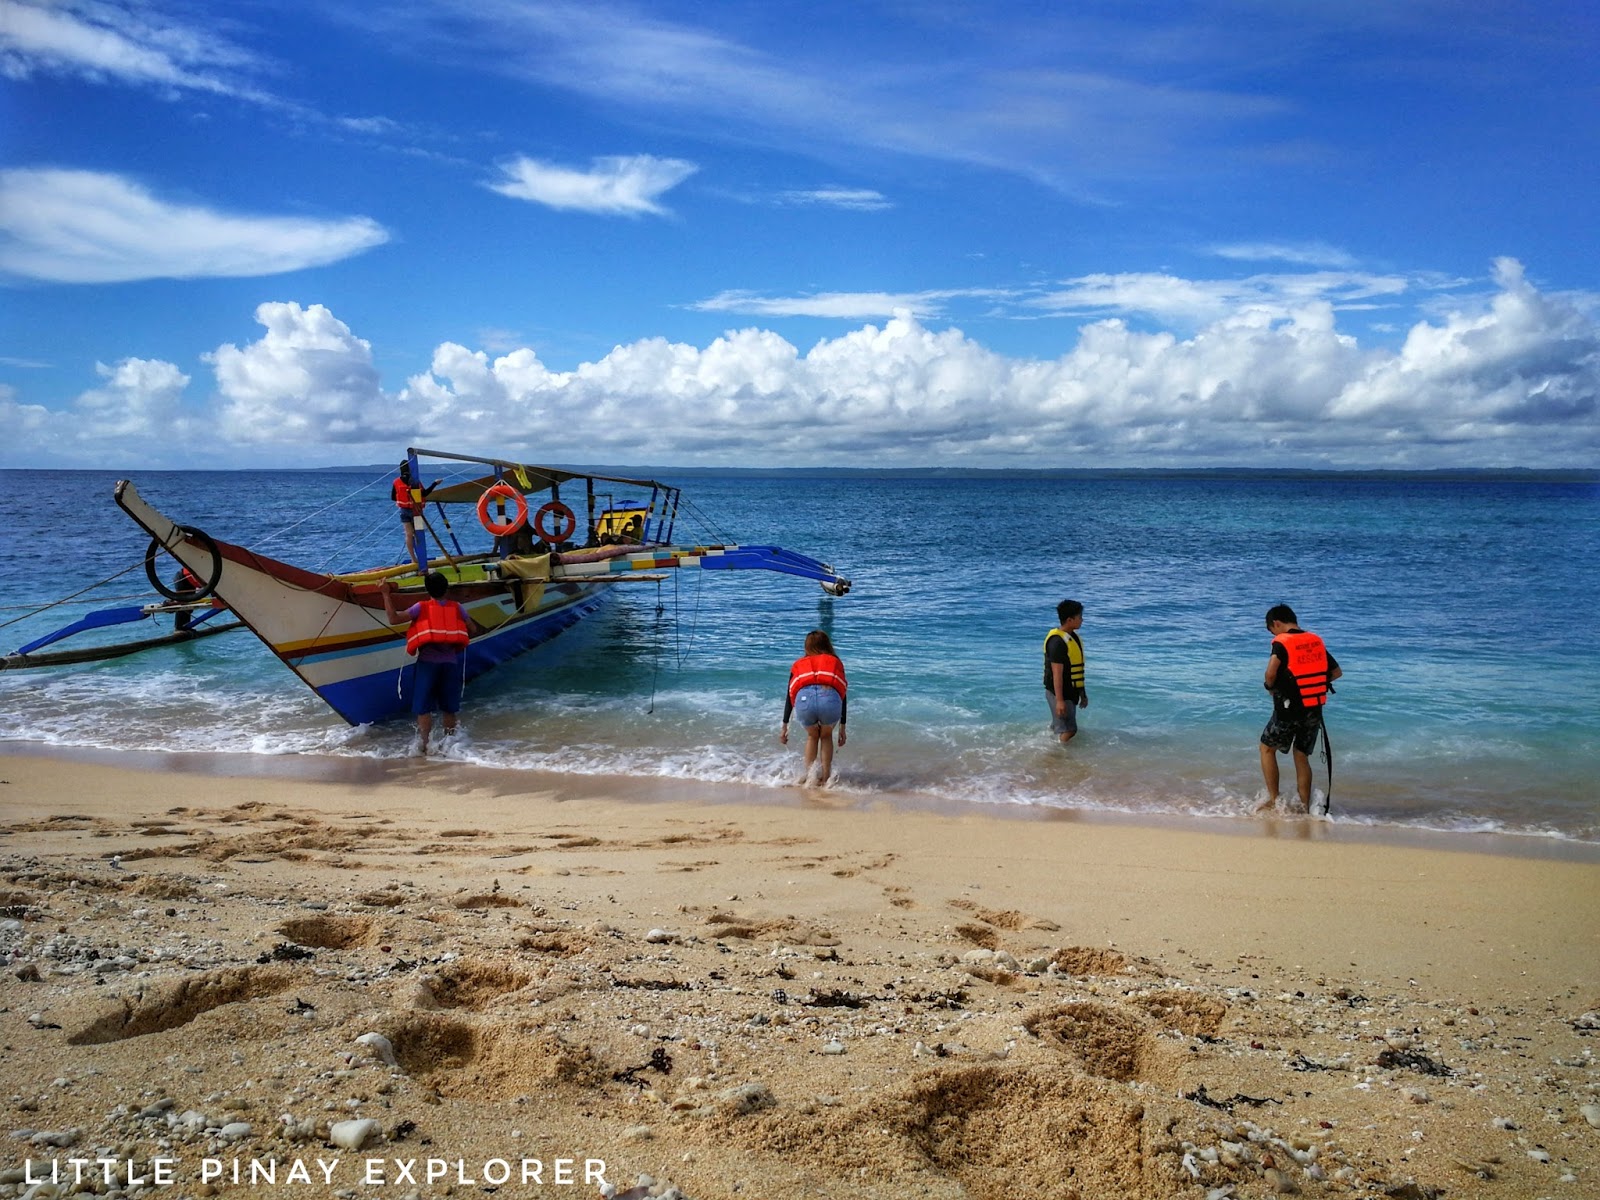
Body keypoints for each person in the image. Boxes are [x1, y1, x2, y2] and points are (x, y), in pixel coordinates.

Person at [1256, 603, 1342, 813]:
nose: (1273, 633)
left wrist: (1270, 687)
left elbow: (1270, 673)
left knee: (1266, 748)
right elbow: (1336, 672)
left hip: (1289, 708)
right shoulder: (1315, 641)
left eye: (1271, 629)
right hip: (1313, 708)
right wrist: (1311, 684)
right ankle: (1304, 805)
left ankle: (1275, 801)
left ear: (1276, 623)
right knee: (1301, 755)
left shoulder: (1282, 643)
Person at [382, 572, 473, 755]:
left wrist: (385, 594)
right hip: (450, 664)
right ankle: (450, 746)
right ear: (446, 588)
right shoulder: (457, 608)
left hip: (427, 664)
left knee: (423, 708)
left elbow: (394, 619)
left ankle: (424, 746)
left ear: (427, 590)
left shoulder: (420, 607)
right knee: (449, 708)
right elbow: (472, 628)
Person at [779, 629, 848, 786]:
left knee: (812, 736)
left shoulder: (798, 665)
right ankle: (825, 779)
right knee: (825, 736)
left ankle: (810, 778)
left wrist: (784, 726)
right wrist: (843, 727)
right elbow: (843, 694)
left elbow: (789, 696)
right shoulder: (835, 662)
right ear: (827, 645)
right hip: (829, 701)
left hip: (804, 702)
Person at [1043, 599, 1088, 744]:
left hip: (1070, 691)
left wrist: (1082, 693)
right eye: (1080, 617)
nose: (1082, 619)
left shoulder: (1072, 637)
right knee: (1070, 730)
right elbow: (1057, 674)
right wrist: (1060, 701)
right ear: (1070, 620)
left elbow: (1077, 670)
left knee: (1060, 725)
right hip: (1059, 693)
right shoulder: (1057, 643)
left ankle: (1045, 743)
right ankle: (1056, 754)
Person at [393, 461, 441, 573]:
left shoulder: (396, 482)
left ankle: (414, 559)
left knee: (409, 535)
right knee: (418, 534)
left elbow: (393, 496)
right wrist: (435, 483)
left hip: (404, 511)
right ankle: (421, 559)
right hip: (416, 511)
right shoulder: (415, 482)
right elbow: (424, 493)